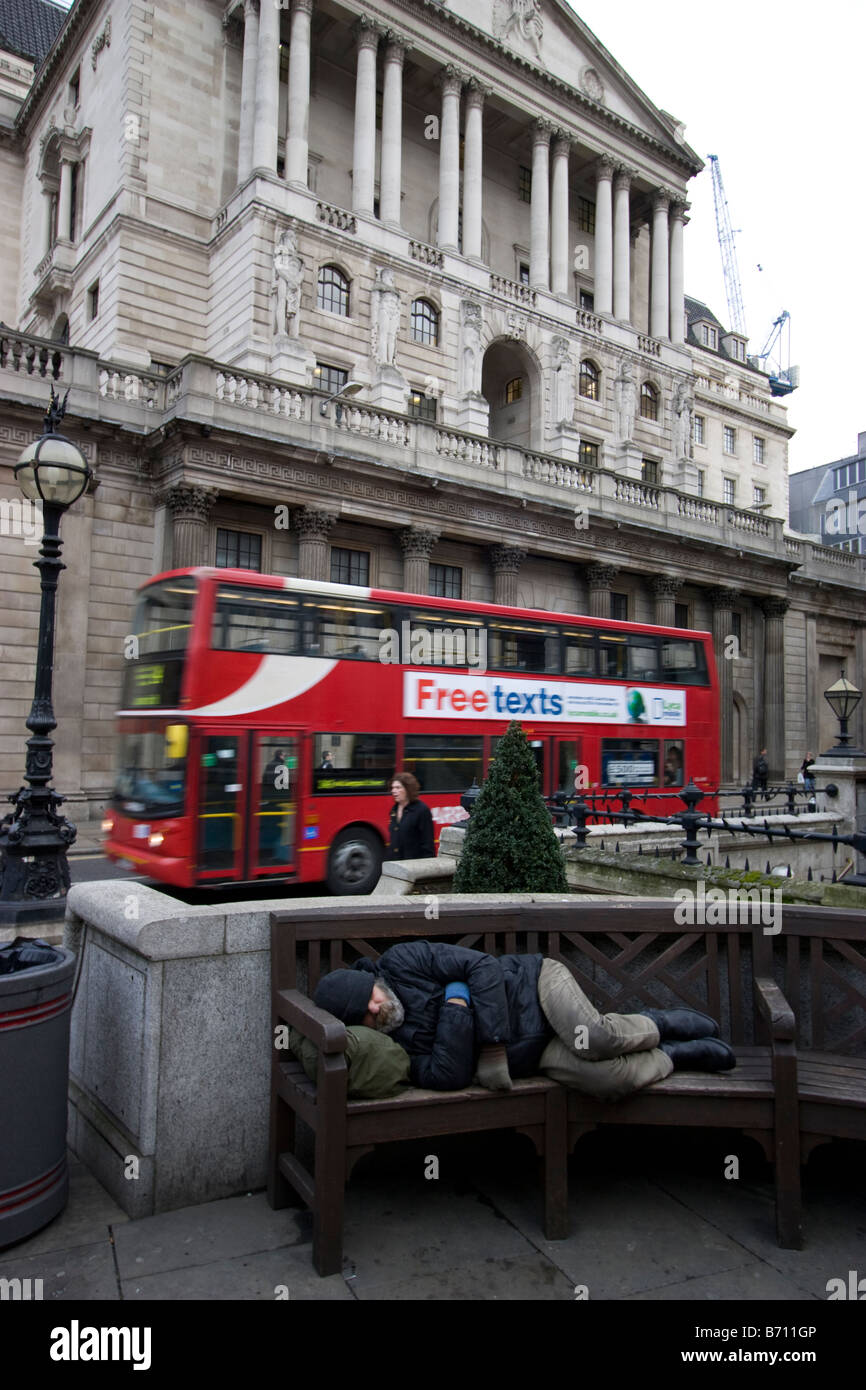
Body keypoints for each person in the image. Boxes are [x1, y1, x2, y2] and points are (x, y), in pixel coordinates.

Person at [314, 940, 735, 1101]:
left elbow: (481, 966)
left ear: (370, 981)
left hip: (534, 985)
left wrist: (492, 1042)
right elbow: (448, 1074)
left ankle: (660, 1023)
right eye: (367, 1016)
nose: (376, 1008)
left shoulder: (402, 962)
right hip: (530, 1053)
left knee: (596, 1038)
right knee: (609, 1081)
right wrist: (455, 1006)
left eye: (369, 997)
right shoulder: (394, 1046)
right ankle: (675, 1057)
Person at [387, 771, 434, 861]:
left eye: (398, 787)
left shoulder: (422, 810)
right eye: (393, 788)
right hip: (396, 865)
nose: (393, 791)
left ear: (408, 789)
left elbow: (428, 844)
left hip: (413, 866)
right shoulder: (394, 810)